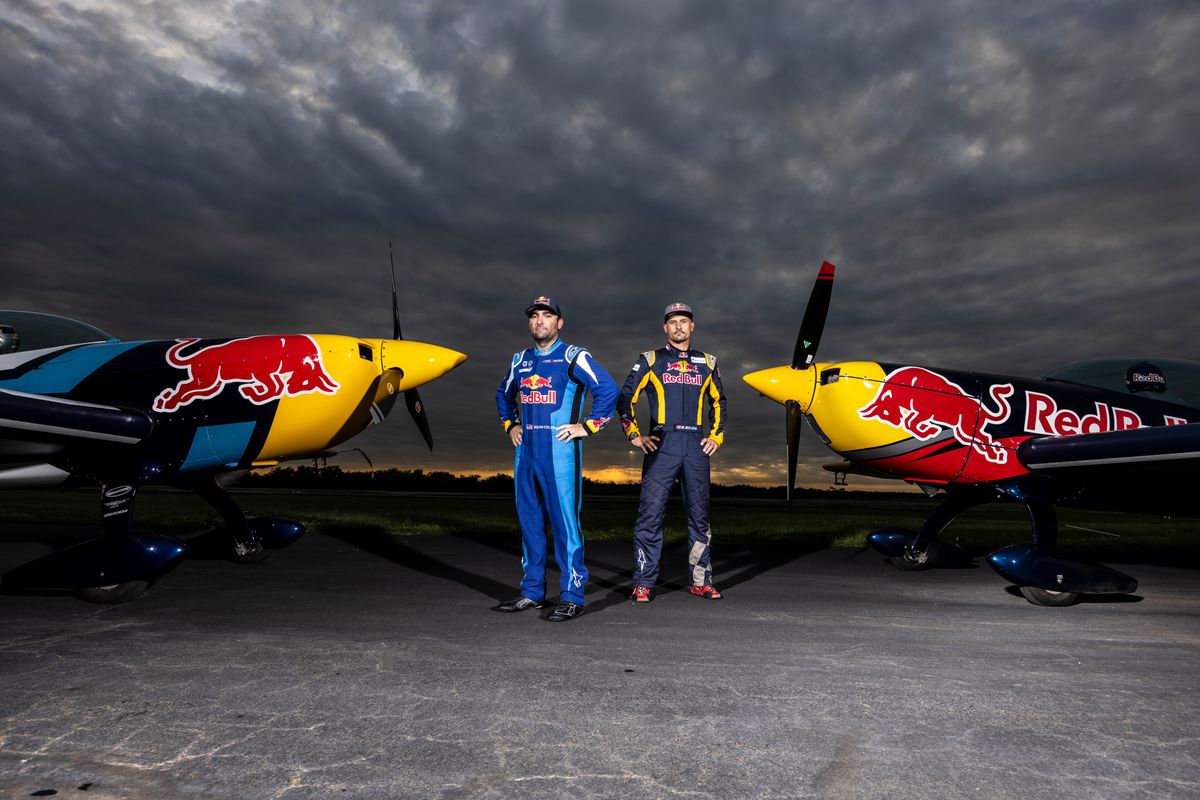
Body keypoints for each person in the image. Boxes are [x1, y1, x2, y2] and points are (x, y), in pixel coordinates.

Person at [494, 296, 619, 622]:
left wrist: (588, 427)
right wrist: (511, 424)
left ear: (559, 323)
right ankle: (532, 592)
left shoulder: (574, 356)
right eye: (534, 316)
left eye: (547, 316)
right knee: (530, 526)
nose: (539, 321)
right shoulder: (520, 360)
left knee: (565, 526)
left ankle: (572, 595)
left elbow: (608, 390)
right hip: (526, 455)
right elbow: (502, 394)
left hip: (561, 454)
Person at [618, 302, 727, 603]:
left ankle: (700, 581)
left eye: (684, 321)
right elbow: (626, 398)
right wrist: (634, 435)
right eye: (672, 322)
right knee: (650, 516)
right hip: (661, 445)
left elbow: (720, 403)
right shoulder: (651, 360)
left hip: (695, 447)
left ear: (692, 326)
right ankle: (642, 582)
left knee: (699, 518)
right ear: (665, 328)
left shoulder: (708, 362)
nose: (678, 326)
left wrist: (716, 436)